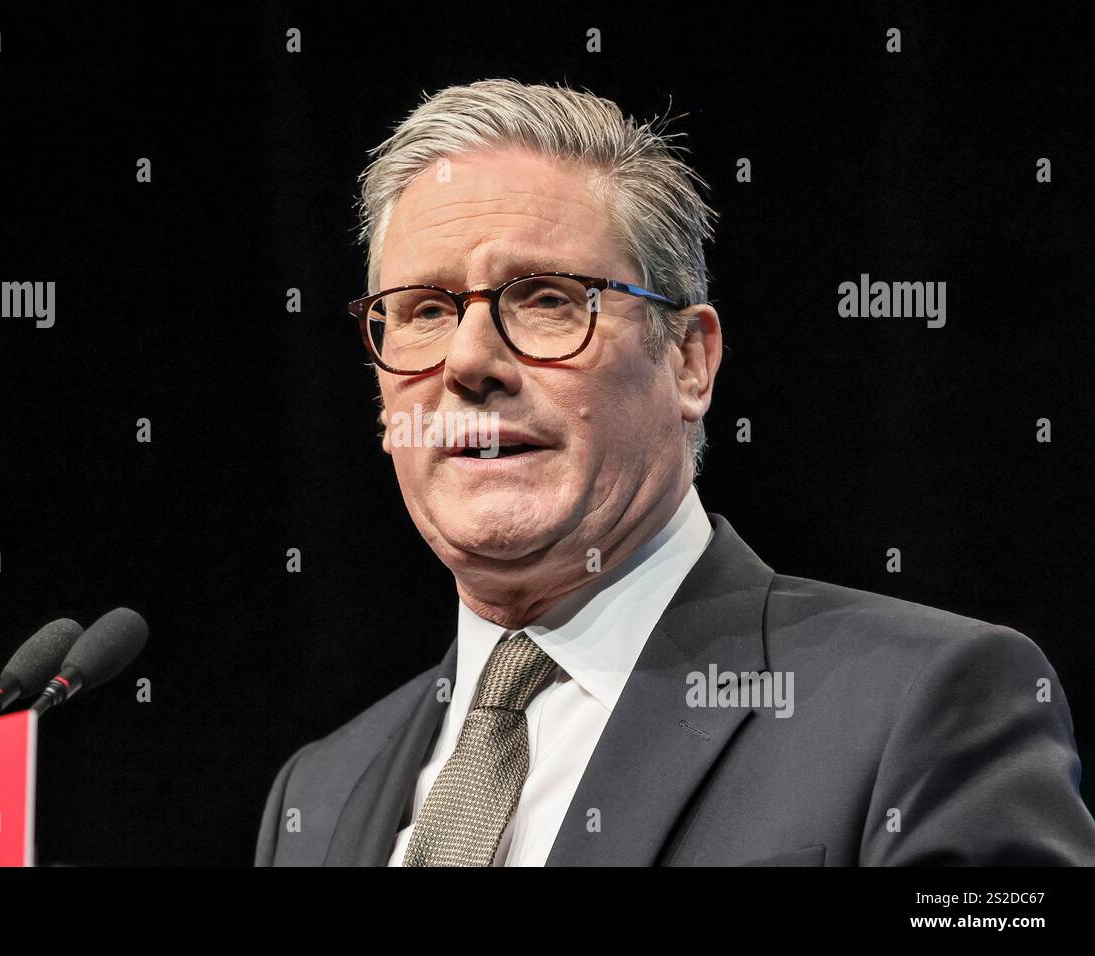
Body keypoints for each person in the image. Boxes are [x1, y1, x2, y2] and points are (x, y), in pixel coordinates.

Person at [255, 78, 1095, 866]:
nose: (471, 360)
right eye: (425, 311)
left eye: (547, 298)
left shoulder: (920, 704)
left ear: (689, 361)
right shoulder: (320, 795)